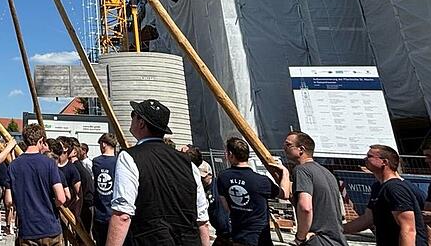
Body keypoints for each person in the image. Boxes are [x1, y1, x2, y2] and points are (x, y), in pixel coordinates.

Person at [106, 99, 209, 246]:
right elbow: (202, 220)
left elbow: (123, 215)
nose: (131, 118)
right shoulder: (188, 164)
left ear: (141, 123)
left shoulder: (129, 157)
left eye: (133, 115)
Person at [343, 145, 424, 246]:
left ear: (384, 162)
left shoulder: (395, 188)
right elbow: (367, 219)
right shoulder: (378, 187)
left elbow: (408, 229)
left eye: (369, 156)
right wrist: (337, 229)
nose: (365, 159)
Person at [217, 137, 291, 246]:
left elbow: (226, 207)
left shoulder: (223, 177)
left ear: (231, 154)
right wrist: (285, 173)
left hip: (239, 235)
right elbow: (284, 194)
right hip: (260, 237)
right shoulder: (261, 181)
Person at [4, 123, 67, 246]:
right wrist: (50, 204)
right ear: (41, 140)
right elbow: (61, 198)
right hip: (50, 228)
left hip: (27, 229)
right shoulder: (49, 164)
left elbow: (8, 201)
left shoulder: (13, 166)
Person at [283, 131, 347, 246]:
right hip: (337, 241)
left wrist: (300, 237)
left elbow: (305, 207)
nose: (284, 148)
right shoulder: (327, 173)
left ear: (301, 149)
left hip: (318, 240)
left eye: (288, 145)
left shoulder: (302, 170)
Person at [91, 134, 119, 245]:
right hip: (115, 212)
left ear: (103, 144)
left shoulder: (96, 161)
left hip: (101, 212)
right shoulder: (119, 162)